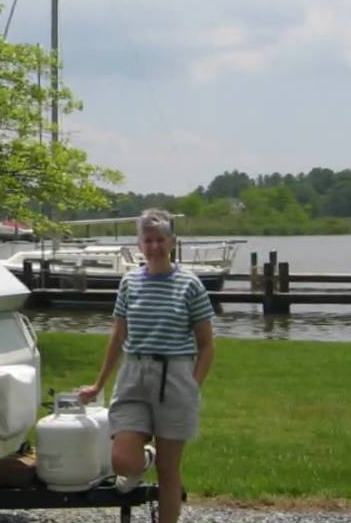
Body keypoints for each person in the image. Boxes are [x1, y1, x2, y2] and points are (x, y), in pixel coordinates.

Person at [78, 209, 215, 523]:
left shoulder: (190, 285)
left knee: (169, 473)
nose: (154, 246)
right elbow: (117, 336)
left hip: (175, 378)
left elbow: (207, 346)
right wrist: (98, 384)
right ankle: (143, 459)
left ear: (172, 242)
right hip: (134, 375)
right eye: (148, 240)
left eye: (160, 239)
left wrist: (194, 384)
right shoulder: (129, 282)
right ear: (139, 244)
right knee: (122, 460)